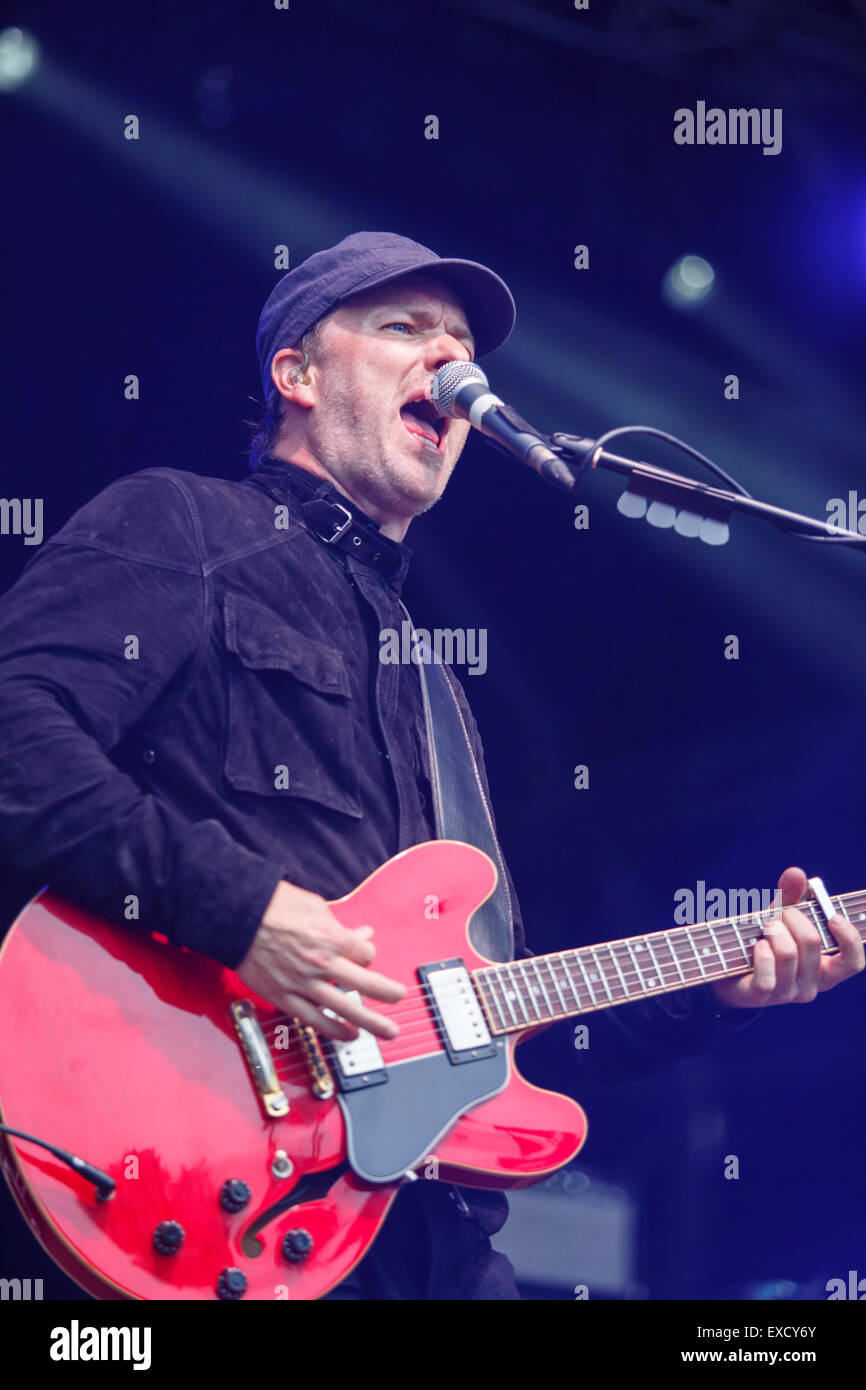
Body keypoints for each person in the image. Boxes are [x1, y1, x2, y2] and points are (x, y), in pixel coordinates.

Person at [0, 231, 861, 1300]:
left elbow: (500, 1041)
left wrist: (717, 993)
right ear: (297, 375)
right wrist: (244, 910)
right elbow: (16, 743)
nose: (450, 363)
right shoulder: (184, 524)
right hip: (210, 1178)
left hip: (425, 1244)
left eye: (461, 345)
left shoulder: (434, 691)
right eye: (405, 329)